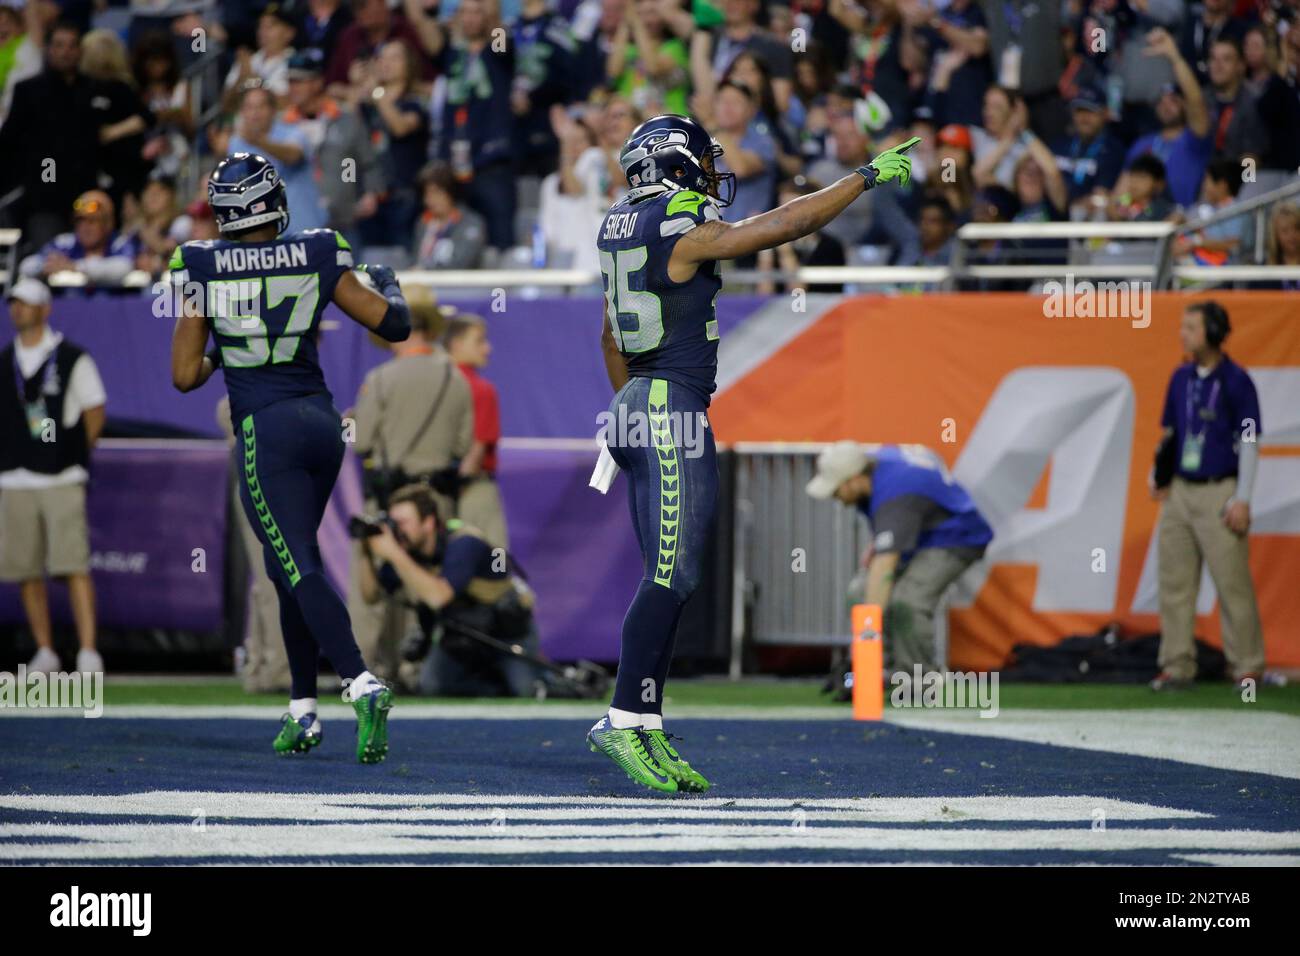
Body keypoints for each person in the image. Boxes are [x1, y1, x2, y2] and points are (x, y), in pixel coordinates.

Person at [590, 113, 918, 793]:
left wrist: (629, 409)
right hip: (668, 407)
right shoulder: (676, 221)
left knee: (667, 576)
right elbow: (781, 226)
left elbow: (609, 337)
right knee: (672, 576)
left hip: (640, 404)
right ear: (674, 165)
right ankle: (622, 718)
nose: (712, 173)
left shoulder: (620, 223)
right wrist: (860, 179)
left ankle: (644, 722)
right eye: (702, 161)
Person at [170, 152, 412, 763]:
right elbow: (396, 325)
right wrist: (388, 283)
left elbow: (182, 375)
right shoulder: (318, 248)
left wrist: (228, 346)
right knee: (286, 570)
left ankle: (360, 680)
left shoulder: (200, 262)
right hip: (321, 425)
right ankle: (303, 710)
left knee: (297, 562)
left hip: (265, 429)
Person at [349, 288, 474, 679]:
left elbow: (363, 440)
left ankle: (365, 671)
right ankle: (413, 668)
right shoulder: (455, 377)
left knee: (372, 590)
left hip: (391, 498)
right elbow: (463, 444)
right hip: (435, 505)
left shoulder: (380, 379)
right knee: (422, 583)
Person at [806, 442, 993, 695]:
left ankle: (919, 682)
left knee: (908, 602)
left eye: (837, 489)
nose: (834, 497)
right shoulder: (874, 465)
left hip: (958, 536)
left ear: (855, 479)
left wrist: (863, 647)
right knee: (860, 592)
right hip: (921, 531)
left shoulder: (896, 496)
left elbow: (885, 566)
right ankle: (880, 673)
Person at [1150, 301, 1265, 691]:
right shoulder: (1179, 378)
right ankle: (1177, 664)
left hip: (1220, 489)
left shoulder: (1237, 381)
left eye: (1192, 328)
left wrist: (1243, 497)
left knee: (1232, 584)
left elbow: (1249, 439)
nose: (1183, 334)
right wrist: (1158, 475)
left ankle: (1247, 667)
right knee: (1175, 583)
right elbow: (1170, 434)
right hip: (1181, 489)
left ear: (1213, 333)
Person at [0, 277, 106, 676]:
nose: (18, 310)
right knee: (25, 570)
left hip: (61, 475)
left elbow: (95, 410)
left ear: (46, 309)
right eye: (14, 303)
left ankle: (88, 652)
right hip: (15, 478)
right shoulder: (5, 360)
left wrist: (74, 453)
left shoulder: (71, 357)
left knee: (73, 564)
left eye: (26, 303)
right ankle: (45, 650)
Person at [357, 484, 540, 697]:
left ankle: (536, 680)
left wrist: (394, 554)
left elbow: (439, 597)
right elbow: (371, 596)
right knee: (432, 686)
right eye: (393, 523)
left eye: (403, 523)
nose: (397, 531)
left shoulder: (463, 543)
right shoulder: (408, 551)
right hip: (462, 637)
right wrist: (365, 552)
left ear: (428, 523)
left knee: (524, 691)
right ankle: (491, 684)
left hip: (505, 634)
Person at [444, 313, 509, 550]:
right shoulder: (481, 390)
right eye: (480, 341)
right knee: (492, 572)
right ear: (456, 344)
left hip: (436, 496)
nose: (487, 348)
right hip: (473, 492)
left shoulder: (433, 386)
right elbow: (477, 449)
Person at [19, 190, 145, 286]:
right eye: (80, 222)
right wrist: (45, 266)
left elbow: (124, 266)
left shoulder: (120, 242)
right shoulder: (65, 243)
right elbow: (27, 265)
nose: (85, 228)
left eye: (92, 222)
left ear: (108, 224)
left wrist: (75, 267)